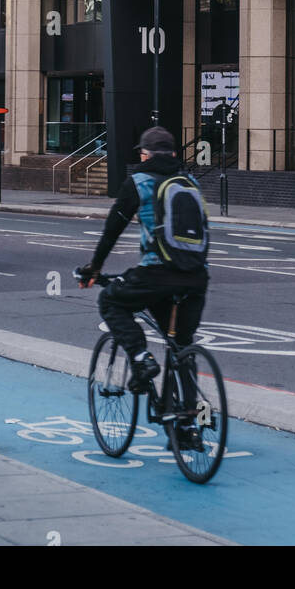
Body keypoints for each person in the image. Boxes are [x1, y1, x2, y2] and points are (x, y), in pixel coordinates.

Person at [78, 124, 208, 448]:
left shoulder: (139, 182)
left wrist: (95, 268)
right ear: (175, 154)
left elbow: (113, 228)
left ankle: (140, 359)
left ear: (143, 154)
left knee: (111, 301)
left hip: (156, 274)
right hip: (196, 277)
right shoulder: (190, 183)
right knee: (181, 347)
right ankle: (187, 428)